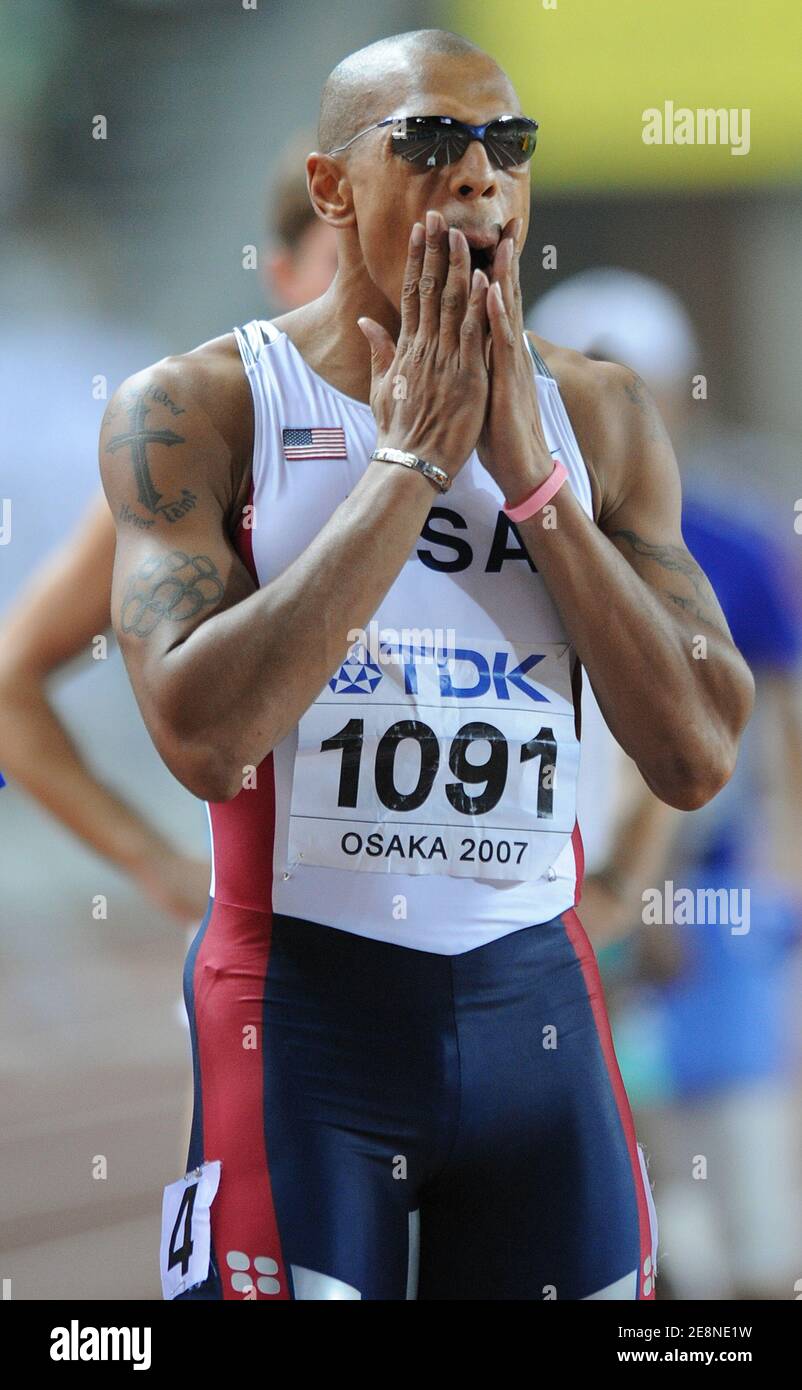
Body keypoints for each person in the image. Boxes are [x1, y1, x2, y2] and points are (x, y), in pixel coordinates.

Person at [99, 30, 753, 1302]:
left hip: (536, 1015)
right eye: (430, 141)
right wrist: (405, 467)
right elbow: (202, 736)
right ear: (332, 187)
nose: (475, 176)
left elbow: (694, 755)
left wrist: (533, 479)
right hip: (301, 1022)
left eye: (506, 146)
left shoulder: (600, 415)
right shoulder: (202, 406)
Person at [528, 267, 802, 1298]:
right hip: (561, 901)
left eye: (629, 386)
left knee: (747, 1197)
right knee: (626, 1174)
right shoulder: (516, 546)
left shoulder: (727, 544)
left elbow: (771, 724)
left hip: (707, 895)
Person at [0, 139, 337, 928]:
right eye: (346, 262)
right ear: (282, 274)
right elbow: (10, 685)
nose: (396, 291)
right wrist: (156, 862)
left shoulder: (513, 443)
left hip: (496, 953)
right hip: (283, 955)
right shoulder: (209, 442)